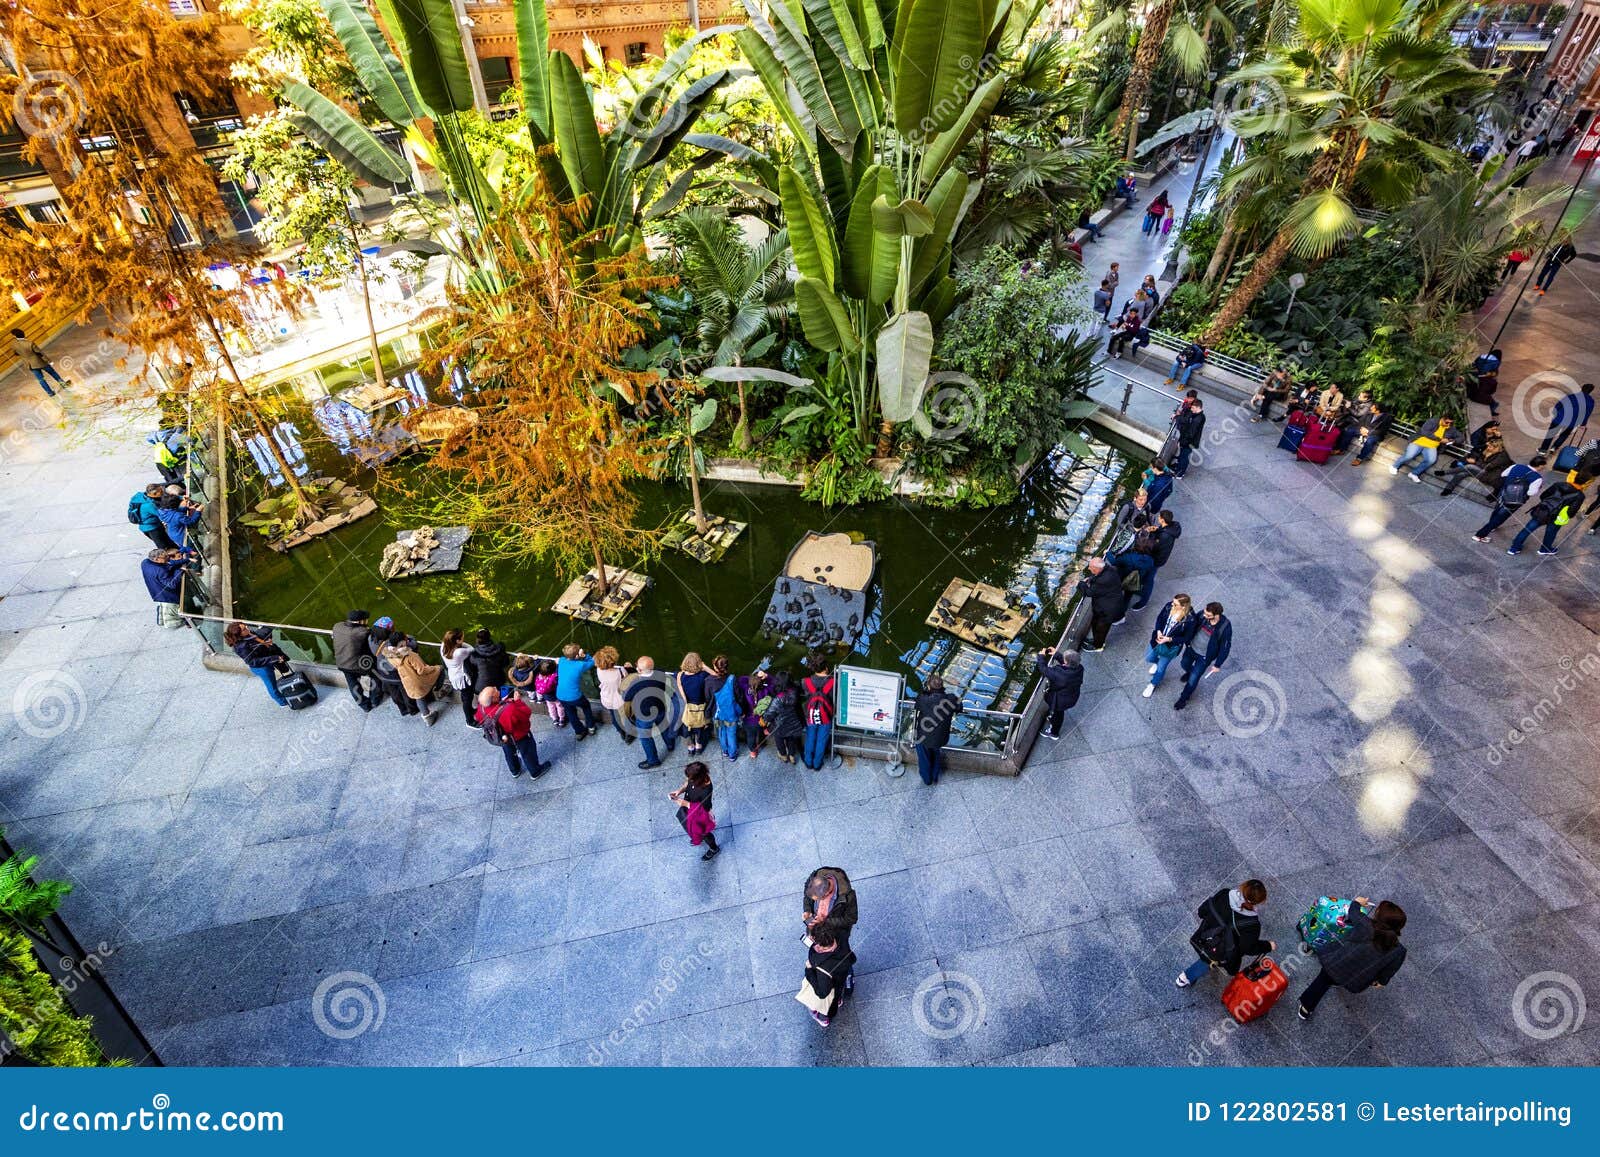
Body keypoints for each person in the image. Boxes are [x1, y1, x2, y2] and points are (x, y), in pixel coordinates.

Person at [1297, 900, 1407, 1021]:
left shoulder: (1365, 924)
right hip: (1355, 979)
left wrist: (1358, 902)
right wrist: (1380, 981)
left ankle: (1306, 1008)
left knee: (1322, 981)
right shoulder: (1399, 951)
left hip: (1336, 962)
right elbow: (1386, 975)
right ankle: (1337, 982)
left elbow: (1353, 910)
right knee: (1336, 979)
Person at [1176, 880, 1275, 988]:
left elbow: (1202, 911)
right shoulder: (1252, 924)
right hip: (1218, 950)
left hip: (1202, 936)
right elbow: (1248, 948)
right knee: (1206, 960)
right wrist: (1268, 945)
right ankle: (1184, 978)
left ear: (1243, 886)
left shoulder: (1225, 894)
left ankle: (1187, 977)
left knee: (1207, 955)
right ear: (1258, 902)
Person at [476, 686, 550, 780]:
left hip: (501, 737)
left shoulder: (481, 708)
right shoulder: (509, 709)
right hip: (519, 735)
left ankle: (515, 770)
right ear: (493, 698)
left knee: (509, 752)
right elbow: (526, 714)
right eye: (494, 690)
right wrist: (518, 701)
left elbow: (482, 718)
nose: (496, 688)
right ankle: (535, 771)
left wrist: (504, 702)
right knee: (527, 752)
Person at [1507, 472, 1587, 556]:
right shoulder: (1580, 495)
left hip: (1544, 510)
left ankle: (1514, 548)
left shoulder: (1558, 484)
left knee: (1528, 528)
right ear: (1585, 482)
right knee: (1551, 533)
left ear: (1574, 477)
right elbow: (1571, 512)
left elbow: (1543, 495)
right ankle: (1545, 549)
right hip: (1557, 516)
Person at [1472, 454, 1547, 542]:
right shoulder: (1537, 478)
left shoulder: (1516, 466)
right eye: (1544, 465)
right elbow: (1531, 493)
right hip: (1516, 499)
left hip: (1504, 492)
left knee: (1497, 510)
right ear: (1540, 465)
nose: (1544, 467)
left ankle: (1492, 526)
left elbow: (1503, 474)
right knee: (1501, 516)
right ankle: (1480, 535)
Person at [1173, 601, 1231, 711]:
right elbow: (1192, 622)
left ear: (1216, 615)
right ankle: (1189, 672)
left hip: (1204, 657)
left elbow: (1225, 647)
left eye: (1208, 615)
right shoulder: (1202, 615)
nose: (1204, 615)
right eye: (1205, 613)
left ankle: (1183, 698)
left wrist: (1218, 664)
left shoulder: (1225, 627)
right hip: (1191, 648)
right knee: (1184, 664)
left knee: (1193, 680)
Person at [380, 629, 443, 724]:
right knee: (440, 670)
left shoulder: (389, 655)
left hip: (408, 681)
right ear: (402, 642)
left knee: (419, 697)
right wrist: (434, 668)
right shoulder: (410, 655)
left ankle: (427, 717)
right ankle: (438, 689)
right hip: (420, 679)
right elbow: (422, 670)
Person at [624, 656, 677, 769]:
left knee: (645, 736)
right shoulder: (660, 674)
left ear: (639, 670)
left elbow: (626, 697)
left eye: (637, 665)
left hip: (644, 714)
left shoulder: (635, 683)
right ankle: (670, 744)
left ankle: (653, 760)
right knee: (664, 727)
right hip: (660, 707)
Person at [911, 675, 962, 785]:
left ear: (929, 686)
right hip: (941, 737)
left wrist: (926, 692)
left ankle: (927, 779)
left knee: (924, 758)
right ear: (942, 686)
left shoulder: (922, 698)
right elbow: (959, 707)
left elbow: (917, 706)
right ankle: (935, 776)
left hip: (923, 736)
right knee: (936, 752)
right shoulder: (950, 699)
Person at [1144, 593, 1198, 698]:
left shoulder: (1190, 619)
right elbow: (1159, 619)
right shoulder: (1169, 606)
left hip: (1171, 646)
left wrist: (1169, 639)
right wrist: (1159, 631)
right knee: (1149, 657)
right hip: (1157, 639)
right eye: (1173, 602)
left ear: (1183, 606)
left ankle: (1152, 684)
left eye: (1175, 604)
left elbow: (1187, 637)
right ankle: (1156, 663)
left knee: (1161, 668)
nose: (1172, 605)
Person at [801, 927, 855, 1028]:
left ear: (820, 947)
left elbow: (822, 993)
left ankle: (823, 1019)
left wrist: (809, 970)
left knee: (823, 1004)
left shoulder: (822, 968)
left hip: (829, 986)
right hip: (840, 978)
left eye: (813, 940)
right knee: (838, 992)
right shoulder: (841, 936)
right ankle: (839, 1000)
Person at [1438, 421, 1510, 497]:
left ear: (1497, 448)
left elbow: (1488, 467)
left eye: (1490, 446)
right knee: (1462, 474)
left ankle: (1446, 472)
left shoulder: (1501, 456)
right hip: (1481, 468)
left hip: (1488, 474)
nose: (1488, 447)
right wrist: (1476, 461)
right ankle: (1448, 489)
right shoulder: (1487, 450)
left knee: (1469, 466)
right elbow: (1479, 454)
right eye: (1492, 429)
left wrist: (1474, 462)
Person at [225, 621, 289, 707]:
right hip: (261, 668)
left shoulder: (248, 635)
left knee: (276, 676)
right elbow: (252, 661)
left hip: (266, 657)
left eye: (246, 626)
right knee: (271, 685)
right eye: (244, 629)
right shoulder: (241, 647)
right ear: (239, 635)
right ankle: (282, 702)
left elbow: (260, 637)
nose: (248, 629)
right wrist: (274, 658)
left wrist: (266, 641)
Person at [668, 761, 720, 860]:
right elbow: (687, 783)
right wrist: (679, 791)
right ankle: (697, 836)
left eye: (690, 777)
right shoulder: (696, 778)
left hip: (701, 815)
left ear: (697, 778)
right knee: (691, 825)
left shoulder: (706, 790)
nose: (688, 779)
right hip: (690, 809)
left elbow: (703, 808)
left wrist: (685, 804)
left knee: (705, 833)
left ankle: (714, 848)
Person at [331, 609, 379, 712]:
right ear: (361, 621)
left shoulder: (337, 626)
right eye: (366, 620)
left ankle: (364, 705)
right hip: (359, 665)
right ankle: (375, 700)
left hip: (342, 663)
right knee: (376, 675)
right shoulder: (364, 632)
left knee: (353, 685)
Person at [1077, 557, 1128, 653]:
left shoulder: (1102, 581)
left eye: (1091, 567)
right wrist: (1092, 578)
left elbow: (1089, 592)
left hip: (1107, 610)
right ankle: (1097, 640)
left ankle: (1098, 646)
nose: (1089, 569)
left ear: (1097, 569)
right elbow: (1097, 577)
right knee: (1096, 625)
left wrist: (1081, 584)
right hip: (1110, 604)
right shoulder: (1109, 569)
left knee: (1101, 628)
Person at [1389, 415, 1462, 480]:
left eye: (1451, 423)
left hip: (1432, 446)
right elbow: (1425, 432)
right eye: (1447, 422)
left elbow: (1461, 437)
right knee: (1409, 455)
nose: (1448, 424)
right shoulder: (1433, 421)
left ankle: (1414, 473)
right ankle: (1395, 466)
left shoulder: (1451, 428)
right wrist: (1440, 439)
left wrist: (1453, 441)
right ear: (1442, 419)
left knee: (1431, 460)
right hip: (1419, 442)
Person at [369, 621, 417, 716]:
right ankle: (412, 709)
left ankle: (403, 710)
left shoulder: (371, 639)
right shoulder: (391, 643)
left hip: (382, 671)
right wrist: (410, 639)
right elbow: (411, 647)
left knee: (394, 692)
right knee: (405, 690)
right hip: (395, 672)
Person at [1035, 649, 1082, 739]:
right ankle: (1052, 719)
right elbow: (1068, 664)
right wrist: (1057, 655)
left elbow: (1044, 669)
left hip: (1060, 701)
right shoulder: (1079, 668)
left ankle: (1053, 733)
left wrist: (1041, 657)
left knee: (1057, 715)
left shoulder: (1060, 675)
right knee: (1059, 713)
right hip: (1071, 696)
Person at [801, 656, 836, 771]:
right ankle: (817, 764)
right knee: (822, 739)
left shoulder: (805, 682)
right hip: (826, 715)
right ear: (826, 668)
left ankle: (808, 761)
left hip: (811, 715)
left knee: (810, 737)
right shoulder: (833, 681)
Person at [1537, 382, 1595, 453]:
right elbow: (1587, 414)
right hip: (1572, 422)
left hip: (1560, 418)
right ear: (1590, 391)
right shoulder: (1590, 401)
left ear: (1581, 388)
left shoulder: (1571, 396)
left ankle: (1543, 450)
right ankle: (1554, 447)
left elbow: (1559, 404)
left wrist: (1555, 412)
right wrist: (1583, 424)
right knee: (1564, 435)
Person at [762, 670, 805, 764]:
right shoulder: (795, 691)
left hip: (779, 726)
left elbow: (768, 716)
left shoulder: (777, 699)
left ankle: (783, 755)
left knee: (779, 741)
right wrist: (768, 676)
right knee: (791, 740)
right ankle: (792, 755)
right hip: (793, 723)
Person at [556, 643, 597, 740]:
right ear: (577, 655)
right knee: (586, 706)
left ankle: (579, 732)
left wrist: (576, 655)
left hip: (560, 695)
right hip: (574, 696)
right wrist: (584, 655)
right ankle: (591, 727)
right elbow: (593, 662)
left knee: (570, 713)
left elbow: (561, 658)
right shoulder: (580, 665)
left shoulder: (562, 661)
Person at [708, 654, 745, 761]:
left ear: (715, 667)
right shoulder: (732, 679)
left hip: (717, 714)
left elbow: (708, 698)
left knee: (721, 732)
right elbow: (739, 696)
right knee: (731, 734)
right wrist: (742, 711)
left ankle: (724, 751)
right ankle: (732, 755)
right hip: (731, 714)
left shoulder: (709, 681)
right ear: (727, 667)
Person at [141, 547, 188, 629]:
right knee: (171, 613)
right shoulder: (160, 570)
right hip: (167, 596)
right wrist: (179, 570)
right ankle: (182, 623)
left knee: (162, 608)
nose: (168, 558)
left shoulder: (145, 562)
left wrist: (186, 560)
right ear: (157, 559)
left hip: (156, 592)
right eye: (165, 557)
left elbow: (170, 563)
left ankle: (161, 621)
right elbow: (171, 584)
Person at [11, 329, 67, 397]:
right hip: (40, 362)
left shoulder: (14, 345)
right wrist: (48, 361)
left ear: (15, 336)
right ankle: (63, 384)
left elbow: (16, 353)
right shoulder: (30, 343)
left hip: (30, 365)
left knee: (41, 379)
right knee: (52, 372)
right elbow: (39, 353)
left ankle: (50, 393)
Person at [594, 645, 632, 742]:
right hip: (620, 700)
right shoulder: (620, 671)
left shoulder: (599, 670)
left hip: (607, 699)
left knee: (614, 717)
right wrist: (628, 668)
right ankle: (628, 735)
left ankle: (621, 732)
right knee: (625, 718)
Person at [676, 651, 711, 755]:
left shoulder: (680, 675)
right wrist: (704, 666)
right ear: (698, 663)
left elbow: (680, 688)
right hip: (700, 705)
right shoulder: (703, 675)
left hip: (688, 706)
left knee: (687, 727)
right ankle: (698, 745)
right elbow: (716, 675)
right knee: (699, 726)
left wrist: (686, 702)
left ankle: (690, 747)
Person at [440, 628, 476, 726]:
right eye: (462, 638)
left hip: (453, 676)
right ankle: (470, 721)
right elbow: (472, 649)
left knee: (466, 697)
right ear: (457, 641)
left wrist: (459, 644)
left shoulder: (444, 646)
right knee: (467, 699)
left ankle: (471, 710)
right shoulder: (459, 652)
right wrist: (462, 644)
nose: (464, 639)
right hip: (462, 678)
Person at [463, 628, 510, 699]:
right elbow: (506, 663)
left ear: (477, 639)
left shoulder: (474, 654)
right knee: (504, 687)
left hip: (480, 686)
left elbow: (470, 669)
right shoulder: (499, 649)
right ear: (489, 637)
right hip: (499, 682)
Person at [127, 484, 176, 550]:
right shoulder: (149, 505)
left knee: (170, 543)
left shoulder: (145, 496)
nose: (163, 493)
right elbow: (163, 515)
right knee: (164, 547)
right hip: (152, 529)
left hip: (151, 525)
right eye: (161, 492)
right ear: (154, 494)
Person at [1348, 400, 1393, 466]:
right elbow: (1360, 421)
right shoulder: (1369, 413)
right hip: (1363, 430)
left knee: (1370, 441)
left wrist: (1368, 432)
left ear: (1378, 410)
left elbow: (1383, 431)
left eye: (1373, 408)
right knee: (1349, 430)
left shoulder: (1386, 418)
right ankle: (1341, 449)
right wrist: (1362, 428)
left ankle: (1359, 459)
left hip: (1375, 434)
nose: (1370, 408)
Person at [1172, 397, 1205, 477]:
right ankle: (1178, 467)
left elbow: (1190, 434)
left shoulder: (1197, 420)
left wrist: (1181, 442)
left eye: (1193, 408)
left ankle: (1179, 473)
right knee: (1183, 455)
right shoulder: (1199, 416)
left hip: (1189, 442)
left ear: (1198, 407)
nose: (1191, 409)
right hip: (1190, 441)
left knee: (1184, 457)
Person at [743, 669, 769, 759]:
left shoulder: (745, 689)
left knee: (750, 737)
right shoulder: (765, 690)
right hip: (760, 720)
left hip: (748, 720)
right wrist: (766, 676)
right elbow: (773, 683)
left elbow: (741, 679)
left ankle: (753, 752)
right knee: (760, 732)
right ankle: (763, 738)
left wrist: (752, 677)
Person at [530, 658, 564, 725]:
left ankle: (554, 719)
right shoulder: (553, 677)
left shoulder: (539, 676)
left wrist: (536, 660)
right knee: (559, 707)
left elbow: (537, 669)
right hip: (556, 696)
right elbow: (557, 672)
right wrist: (558, 664)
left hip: (546, 697)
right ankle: (561, 719)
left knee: (551, 707)